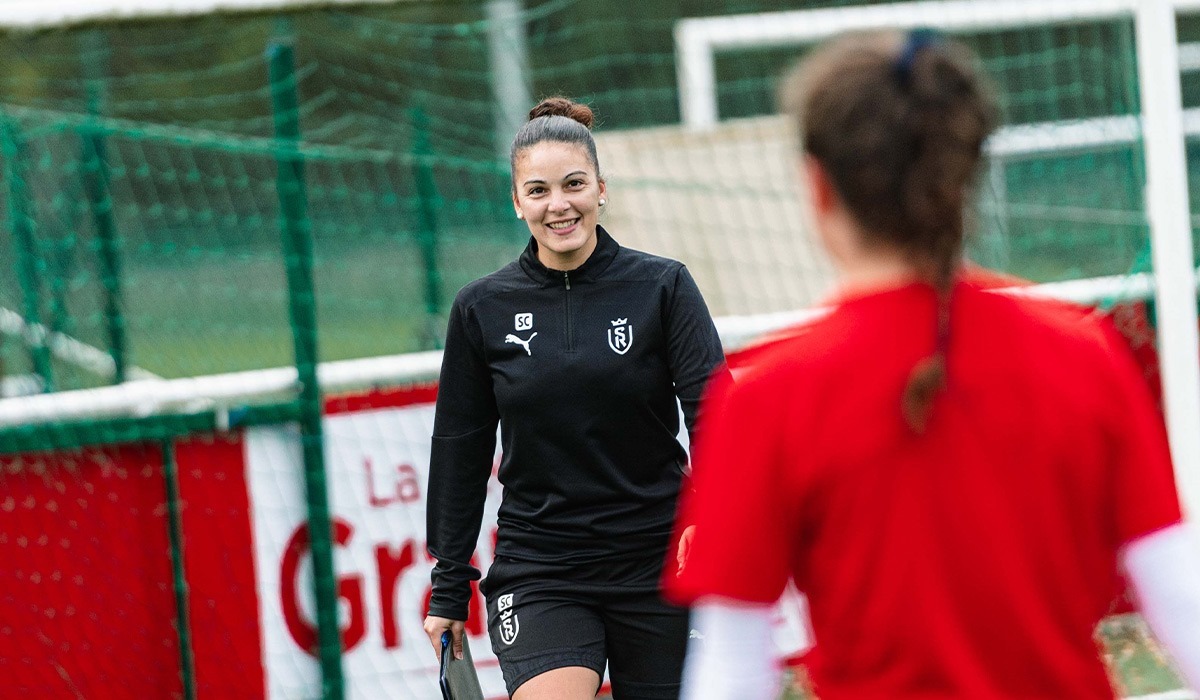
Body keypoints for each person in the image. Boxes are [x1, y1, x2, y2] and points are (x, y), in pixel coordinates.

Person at [667, 30, 1200, 700]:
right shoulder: (1084, 352)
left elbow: (732, 671)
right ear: (964, 176)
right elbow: (1180, 596)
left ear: (817, 187)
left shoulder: (768, 397)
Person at [424, 96, 727, 700]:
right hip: (542, 568)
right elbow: (460, 449)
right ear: (517, 202)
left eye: (573, 184)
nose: (558, 204)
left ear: (600, 189)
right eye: (537, 191)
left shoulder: (663, 286)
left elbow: (715, 413)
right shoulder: (481, 308)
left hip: (661, 561)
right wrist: (449, 585)